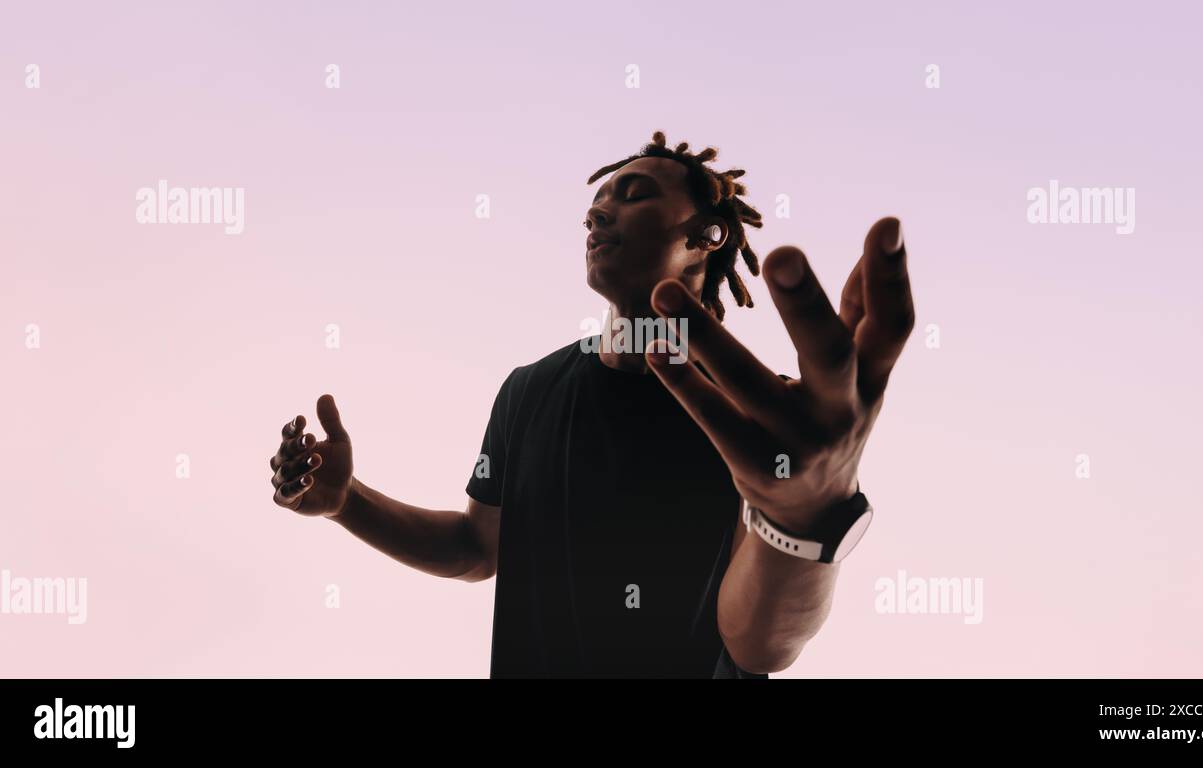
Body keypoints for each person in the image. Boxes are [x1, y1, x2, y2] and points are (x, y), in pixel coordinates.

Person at [267, 131, 915, 678]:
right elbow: (475, 546)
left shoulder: (770, 423)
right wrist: (349, 503)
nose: (599, 214)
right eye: (596, 203)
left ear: (708, 236)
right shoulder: (528, 388)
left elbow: (759, 642)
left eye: (633, 197)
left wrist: (802, 524)